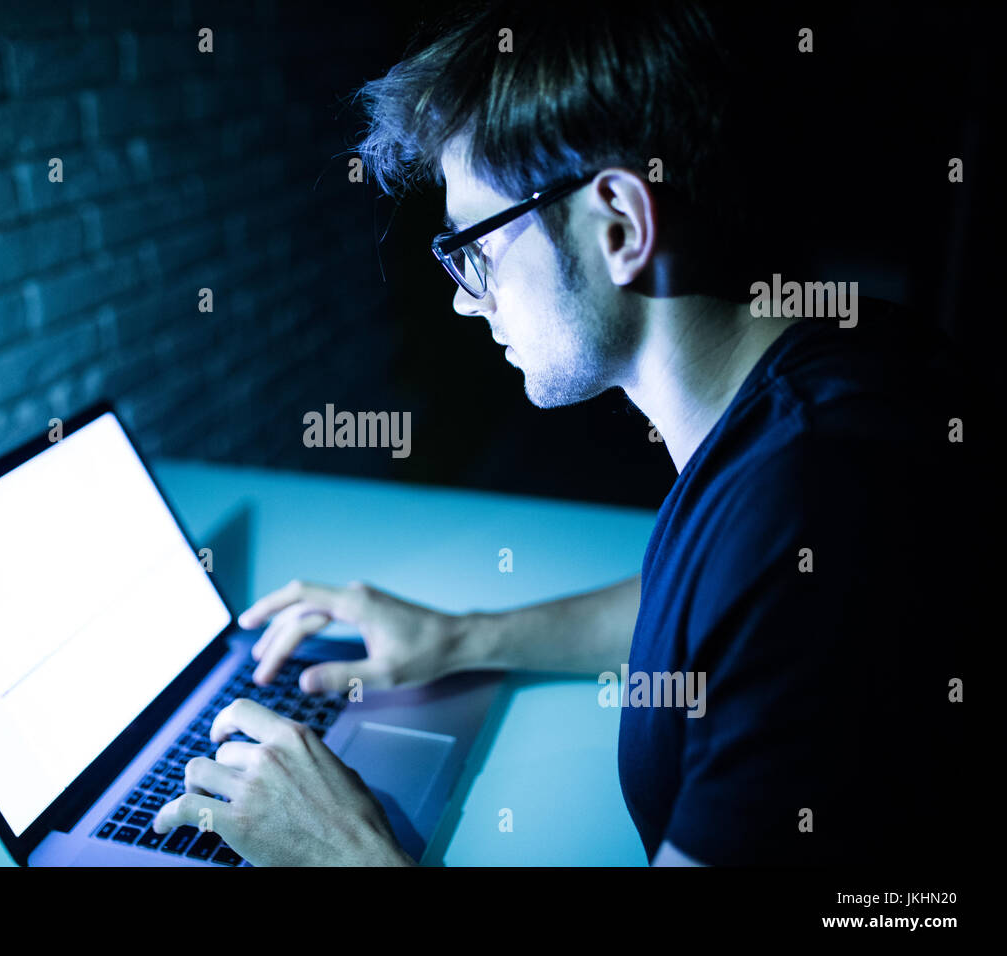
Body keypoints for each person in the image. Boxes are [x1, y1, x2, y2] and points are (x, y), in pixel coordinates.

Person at [152, 0, 977, 866]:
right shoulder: (838, 366)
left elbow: (776, 607)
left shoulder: (817, 510)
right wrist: (463, 639)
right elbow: (714, 620)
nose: (467, 299)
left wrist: (346, 853)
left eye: (476, 244)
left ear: (619, 222)